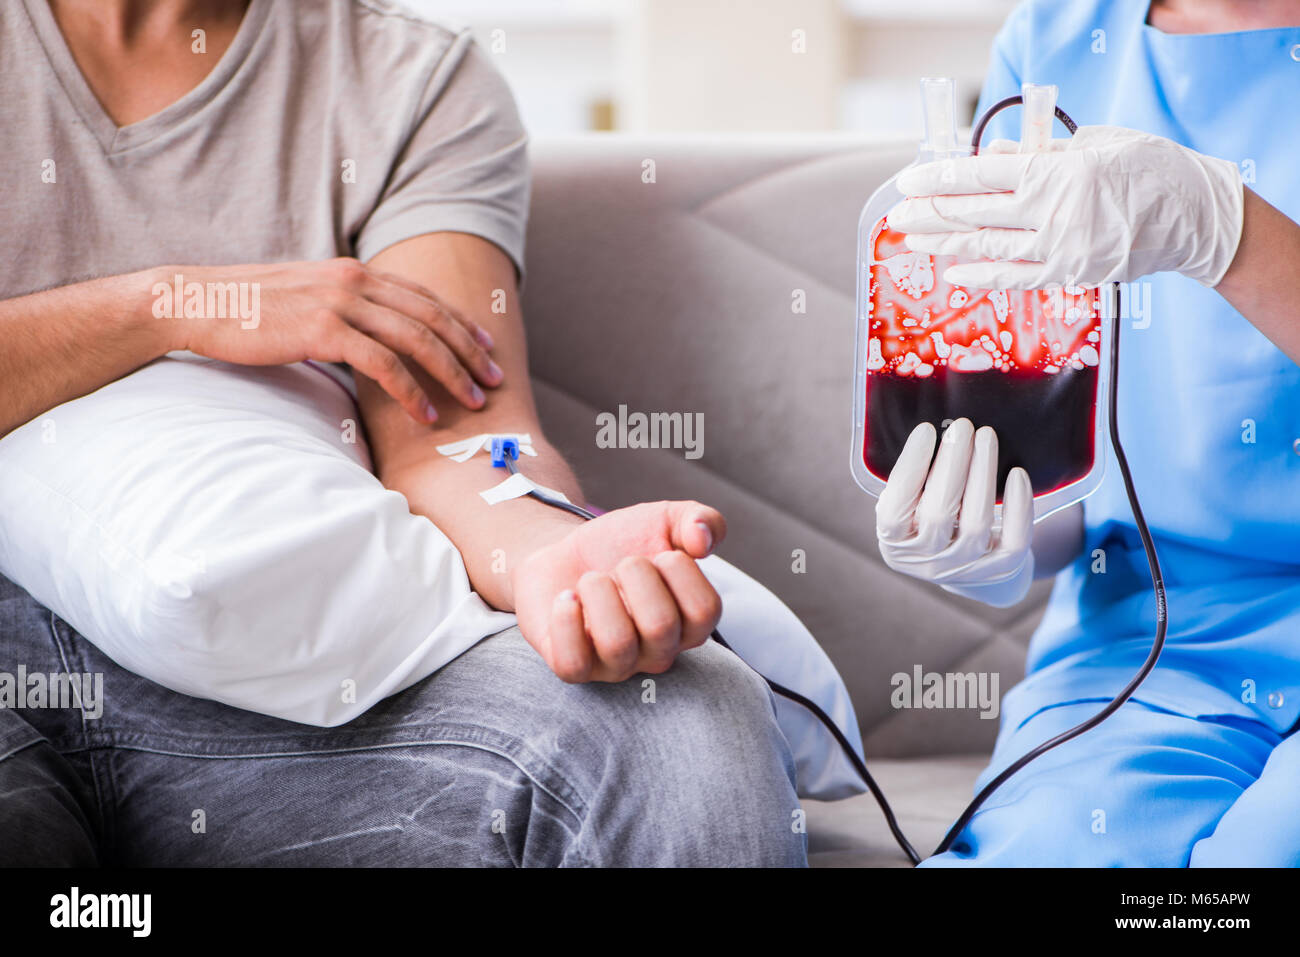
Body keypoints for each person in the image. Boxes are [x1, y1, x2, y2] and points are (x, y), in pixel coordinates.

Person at [0, 0, 805, 866]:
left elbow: (459, 434)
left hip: (295, 681)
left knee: (685, 725)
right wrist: (171, 307)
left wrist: (540, 550)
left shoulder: (412, 80)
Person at [879, 0, 1300, 865]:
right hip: (1150, 646)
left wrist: (1230, 230)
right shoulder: (1056, 37)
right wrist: (997, 531)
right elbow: (1039, 419)